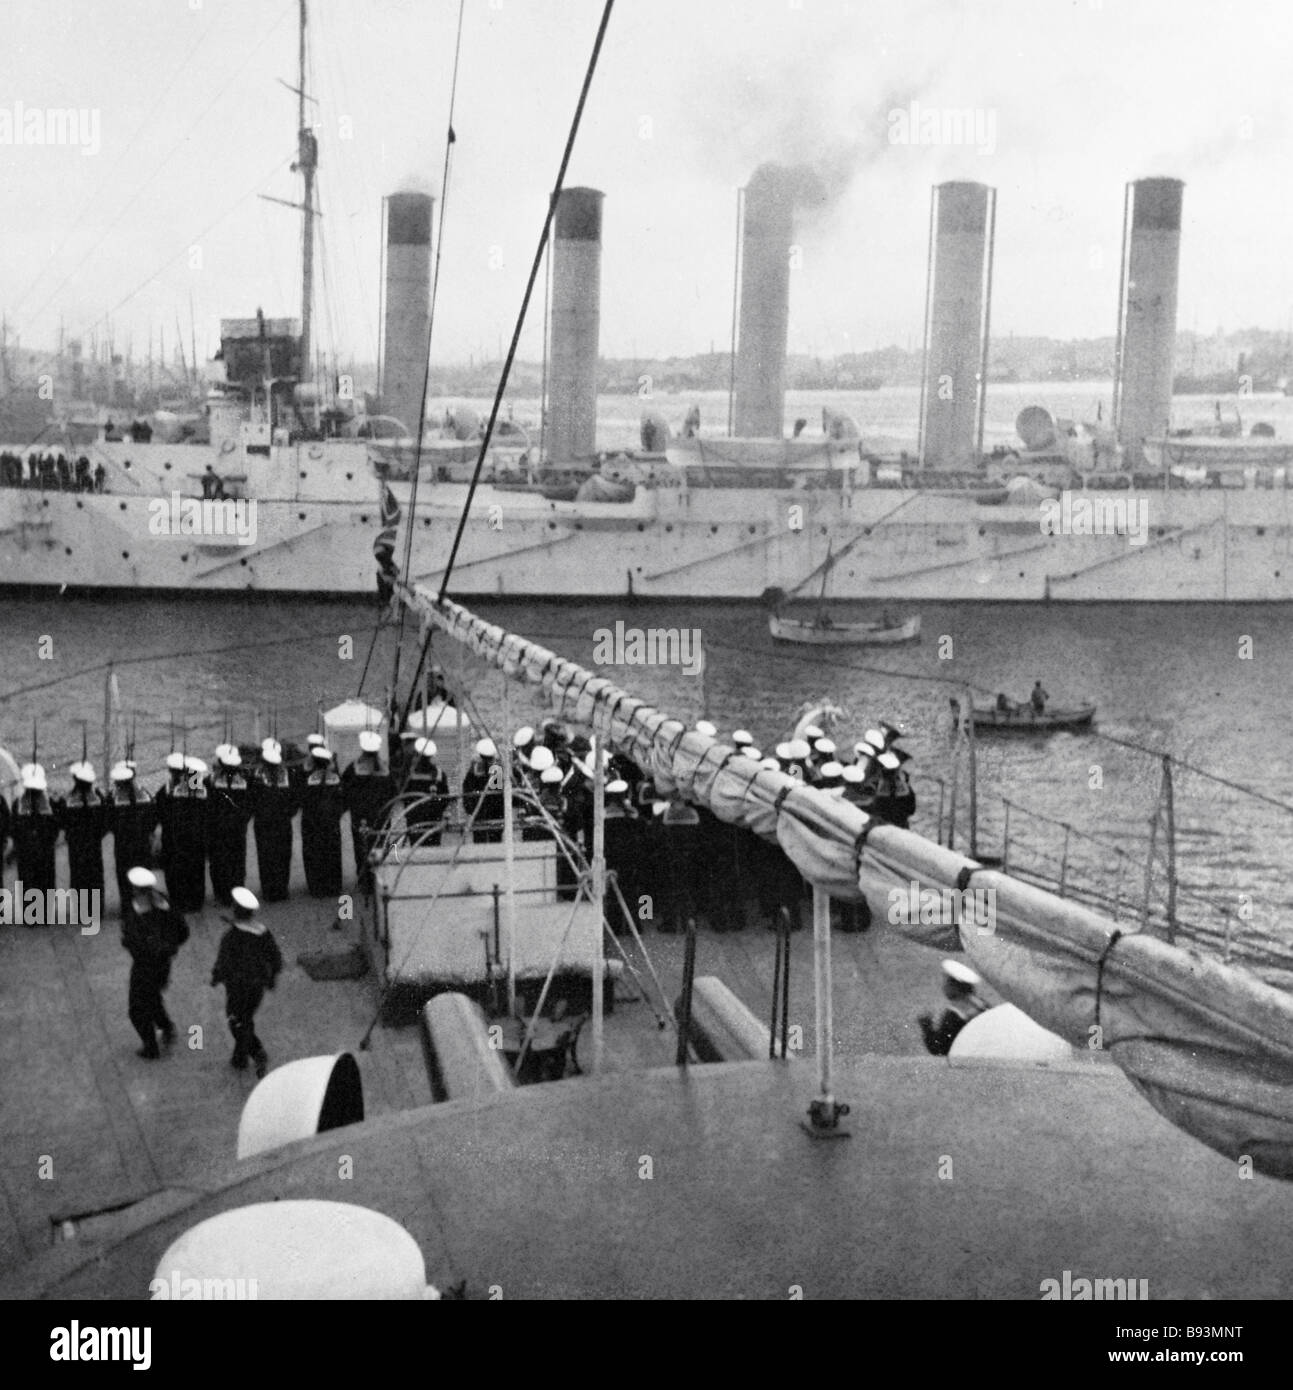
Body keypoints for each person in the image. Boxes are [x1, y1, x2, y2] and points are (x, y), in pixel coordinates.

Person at [210, 886, 282, 1079]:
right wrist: (272, 978)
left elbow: (223, 962)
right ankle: (239, 1056)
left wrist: (216, 977)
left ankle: (257, 1052)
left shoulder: (232, 937)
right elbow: (276, 958)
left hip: (238, 986)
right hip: (257, 986)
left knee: (236, 1021)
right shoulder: (262, 933)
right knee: (245, 1017)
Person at [121, 867, 188, 1060]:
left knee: (136, 1009)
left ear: (135, 889)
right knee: (152, 997)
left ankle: (150, 1046)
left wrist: (129, 943)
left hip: (144, 965)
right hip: (163, 963)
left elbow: (132, 941)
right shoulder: (164, 902)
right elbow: (183, 931)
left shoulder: (137, 912)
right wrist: (170, 946)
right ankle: (166, 1027)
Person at [341, 730, 395, 887]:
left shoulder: (354, 768)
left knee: (361, 847)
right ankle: (379, 879)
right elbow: (393, 793)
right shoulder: (385, 769)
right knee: (381, 845)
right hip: (382, 816)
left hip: (360, 816)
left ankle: (365, 880)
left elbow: (345, 791)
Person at [156, 753, 208, 913]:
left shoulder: (170, 790)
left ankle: (180, 900)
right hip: (197, 837)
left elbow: (161, 811)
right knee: (196, 869)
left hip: (176, 837)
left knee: (177, 870)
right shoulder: (201, 789)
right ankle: (196, 901)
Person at [106, 762, 157, 911]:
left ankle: (127, 907)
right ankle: (146, 904)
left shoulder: (113, 799)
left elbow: (109, 822)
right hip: (142, 843)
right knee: (143, 872)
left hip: (123, 844)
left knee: (124, 876)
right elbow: (152, 819)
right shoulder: (145, 794)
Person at [206, 745, 253, 907]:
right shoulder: (245, 781)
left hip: (217, 829)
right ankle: (237, 892)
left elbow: (199, 796)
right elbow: (249, 806)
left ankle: (222, 895)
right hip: (238, 829)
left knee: (218, 862)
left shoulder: (210, 781)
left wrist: (190, 771)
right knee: (237, 861)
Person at [251, 740, 297, 902]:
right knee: (282, 856)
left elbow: (252, 801)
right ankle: (281, 890)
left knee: (267, 857)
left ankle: (270, 890)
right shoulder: (287, 775)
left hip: (265, 823)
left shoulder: (256, 777)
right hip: (281, 822)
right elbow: (294, 800)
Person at [56, 760, 108, 897]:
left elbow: (61, 822)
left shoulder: (67, 800)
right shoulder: (99, 798)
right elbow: (106, 821)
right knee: (96, 877)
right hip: (94, 844)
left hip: (76, 845)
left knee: (78, 877)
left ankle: (80, 911)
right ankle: (97, 909)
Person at [298, 744, 344, 897]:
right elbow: (342, 801)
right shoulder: (336, 778)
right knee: (332, 853)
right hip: (331, 823)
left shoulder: (308, 779)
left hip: (312, 824)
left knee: (314, 854)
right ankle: (334, 886)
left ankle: (316, 887)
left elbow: (302, 800)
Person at [918, 959, 989, 1056]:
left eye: (946, 983)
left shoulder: (955, 1013)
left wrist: (927, 1027)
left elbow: (940, 1049)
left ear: (955, 987)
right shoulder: (983, 1005)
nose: (944, 987)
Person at [10, 763, 59, 900]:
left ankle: (31, 916)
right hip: (44, 850)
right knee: (45, 881)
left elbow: (13, 829)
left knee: (28, 883)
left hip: (26, 852)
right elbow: (55, 828)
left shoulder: (17, 804)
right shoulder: (51, 804)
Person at [404, 737, 449, 846]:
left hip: (414, 820)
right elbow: (445, 798)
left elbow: (405, 797)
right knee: (433, 849)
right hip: (433, 820)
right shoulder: (439, 774)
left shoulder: (409, 774)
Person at [461, 738, 505, 843]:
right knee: (495, 841)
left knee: (480, 841)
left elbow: (467, 791)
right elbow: (497, 793)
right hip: (494, 813)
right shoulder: (496, 769)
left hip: (479, 813)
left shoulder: (473, 770)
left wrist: (470, 810)